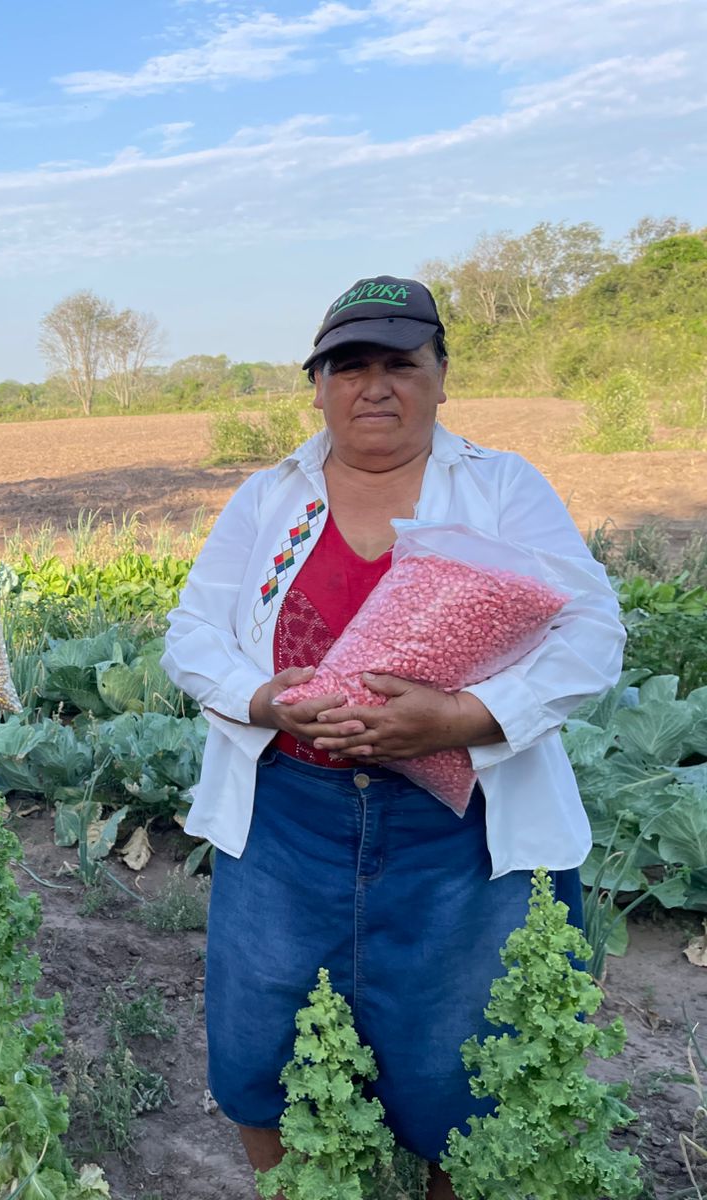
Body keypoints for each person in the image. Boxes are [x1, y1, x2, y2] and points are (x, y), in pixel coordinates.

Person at [162, 276, 624, 1199]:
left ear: (441, 377)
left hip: (459, 834)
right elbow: (192, 633)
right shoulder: (270, 497)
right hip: (287, 824)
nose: (374, 387)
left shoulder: (499, 486)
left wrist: (458, 719)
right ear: (318, 387)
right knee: (262, 1053)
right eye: (348, 366)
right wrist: (262, 698)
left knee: (467, 1069)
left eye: (400, 364)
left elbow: (592, 633)